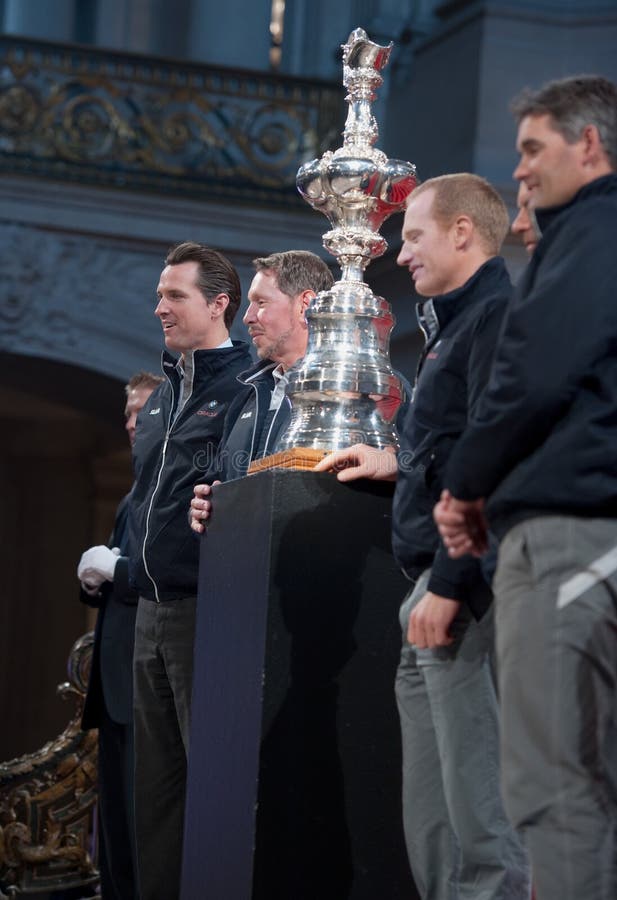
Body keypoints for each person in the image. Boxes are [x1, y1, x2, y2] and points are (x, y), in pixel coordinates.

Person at [316, 174, 530, 899]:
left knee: (480, 821)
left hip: (464, 593)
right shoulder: (452, 327)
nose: (401, 253)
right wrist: (393, 460)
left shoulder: (497, 318)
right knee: (433, 821)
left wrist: (449, 582)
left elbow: (497, 460)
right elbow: (447, 444)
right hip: (429, 592)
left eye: (412, 236)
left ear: (462, 232)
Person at [434, 75, 617, 900]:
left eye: (532, 150)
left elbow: (531, 373)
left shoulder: (591, 231)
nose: (519, 172)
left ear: (589, 144)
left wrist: (465, 486)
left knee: (555, 785)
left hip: (571, 532)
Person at [128, 242, 252, 900]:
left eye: (175, 296)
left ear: (218, 304)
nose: (160, 308)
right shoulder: (162, 396)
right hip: (148, 613)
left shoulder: (246, 389)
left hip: (205, 614)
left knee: (211, 789)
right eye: (160, 295)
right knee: (154, 798)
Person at [77, 371, 163, 900]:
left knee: (140, 830)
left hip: (145, 679)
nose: (131, 423)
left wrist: (116, 570)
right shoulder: (134, 493)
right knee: (113, 836)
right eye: (127, 414)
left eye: (141, 411)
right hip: (114, 685)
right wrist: (93, 579)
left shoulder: (168, 486)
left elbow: (174, 573)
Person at [189, 250, 334, 530]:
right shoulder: (247, 395)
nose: (247, 317)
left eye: (261, 302)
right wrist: (203, 507)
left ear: (305, 305)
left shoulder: (355, 388)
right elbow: (215, 481)